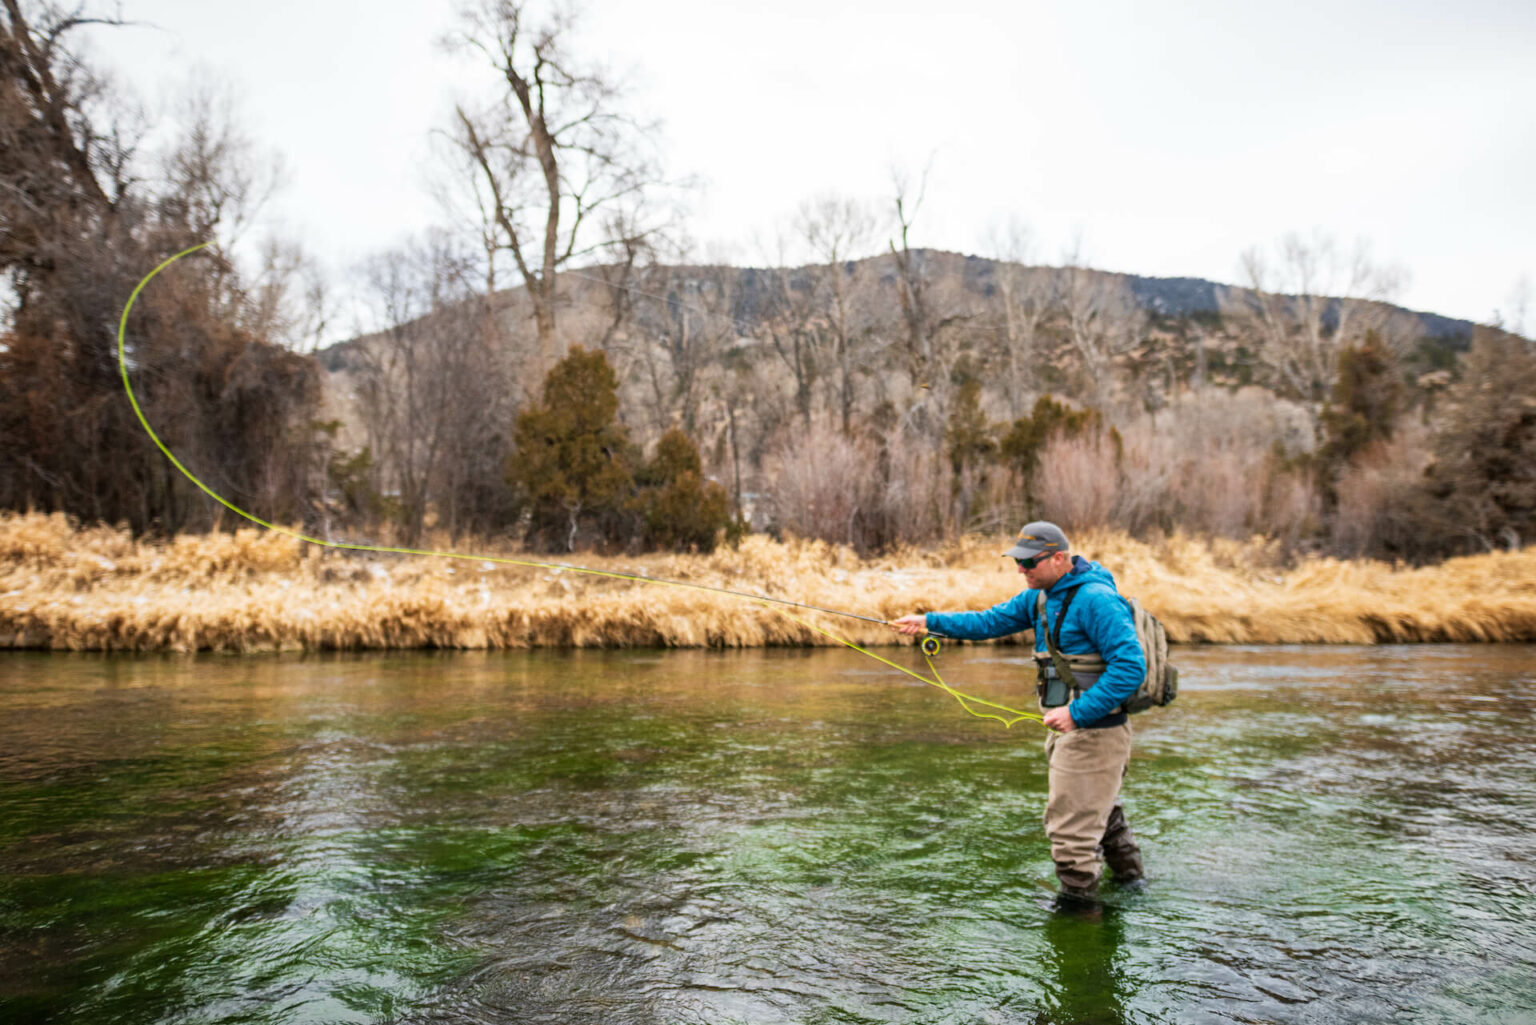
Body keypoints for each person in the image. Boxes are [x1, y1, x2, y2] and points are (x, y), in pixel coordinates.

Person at [890, 520, 1146, 903]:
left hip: (1094, 732)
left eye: (1029, 562)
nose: (1021, 570)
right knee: (1100, 811)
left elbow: (1130, 667)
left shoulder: (1096, 599)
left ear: (1058, 558)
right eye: (1017, 562)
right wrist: (928, 622)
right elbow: (988, 622)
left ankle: (1079, 922)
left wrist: (1076, 714)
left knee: (1071, 839)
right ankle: (1133, 887)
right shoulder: (1040, 597)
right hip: (1070, 729)